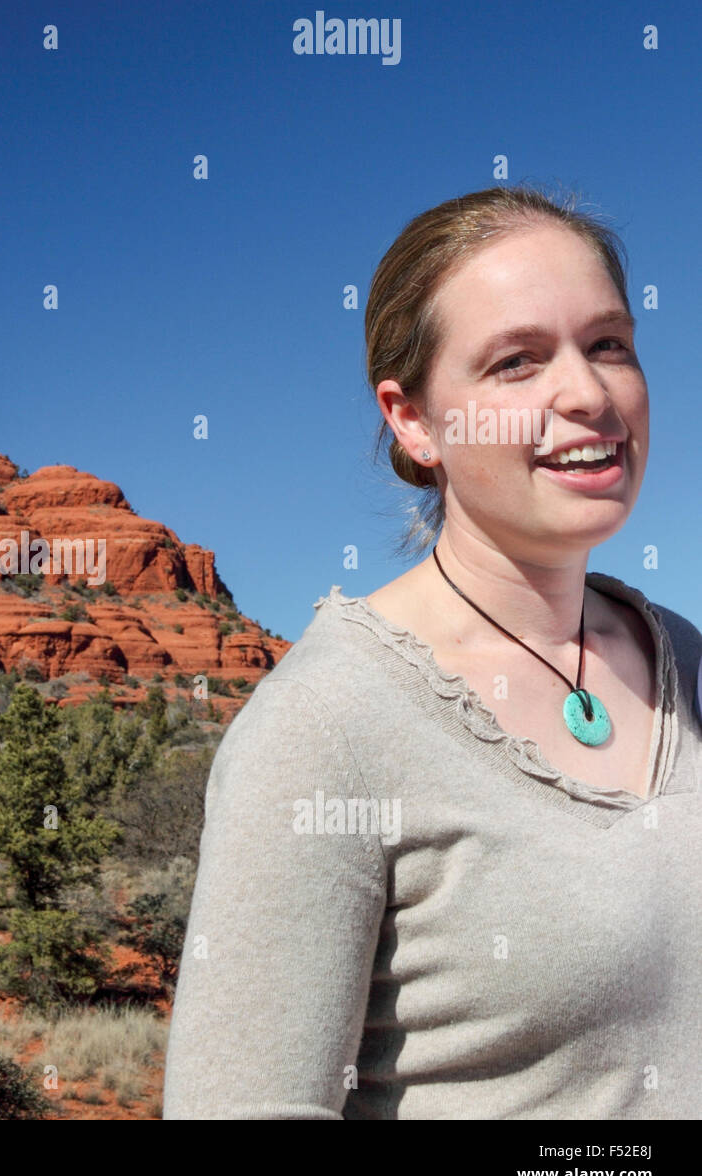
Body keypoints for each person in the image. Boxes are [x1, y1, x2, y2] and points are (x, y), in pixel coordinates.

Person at [163, 184, 702, 1119]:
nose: (588, 392)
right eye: (517, 361)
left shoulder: (688, 664)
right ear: (414, 422)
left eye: (608, 342)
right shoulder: (327, 724)